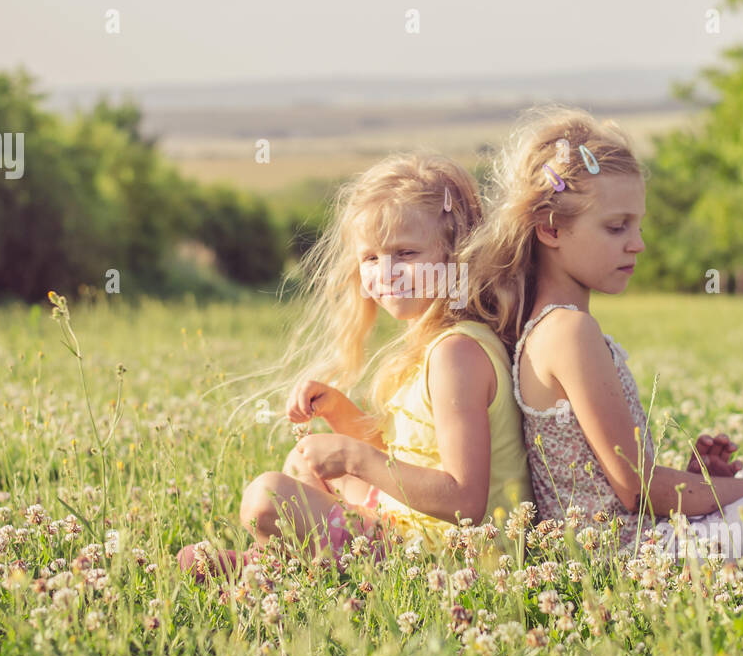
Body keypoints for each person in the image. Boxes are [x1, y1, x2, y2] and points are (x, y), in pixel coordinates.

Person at [457, 104, 743, 559]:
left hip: (638, 545)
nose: (638, 243)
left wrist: (703, 477)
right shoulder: (568, 331)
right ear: (550, 229)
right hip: (642, 558)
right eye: (616, 227)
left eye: (638, 224)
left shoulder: (553, 328)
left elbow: (620, 486)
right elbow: (638, 490)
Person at [178, 152, 533, 581]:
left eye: (405, 253)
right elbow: (411, 454)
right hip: (415, 529)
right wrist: (339, 413)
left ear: (455, 255)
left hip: (450, 558)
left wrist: (354, 456)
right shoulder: (433, 344)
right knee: (303, 462)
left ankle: (273, 570)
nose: (386, 273)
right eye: (370, 258)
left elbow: (464, 500)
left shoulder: (456, 354)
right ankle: (282, 568)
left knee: (266, 497)